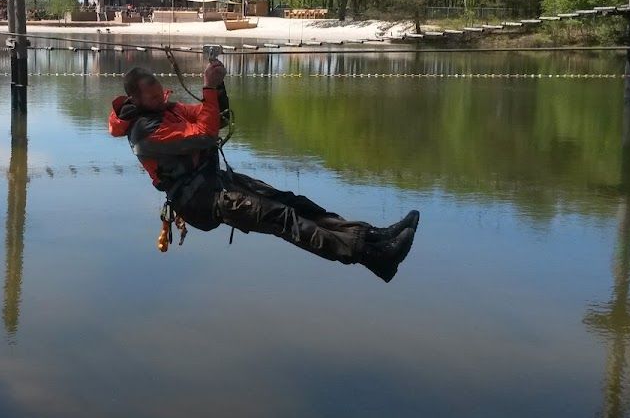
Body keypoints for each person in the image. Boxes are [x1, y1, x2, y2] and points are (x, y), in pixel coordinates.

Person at [108, 59, 419, 282]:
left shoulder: (169, 110)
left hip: (218, 183)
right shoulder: (146, 132)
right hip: (202, 201)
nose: (158, 98)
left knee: (293, 201)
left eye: (158, 91)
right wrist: (207, 88)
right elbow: (205, 135)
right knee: (283, 218)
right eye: (150, 96)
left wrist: (217, 87)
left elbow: (219, 118)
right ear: (134, 99)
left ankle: (373, 237)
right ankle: (372, 256)